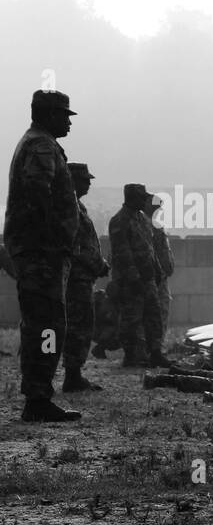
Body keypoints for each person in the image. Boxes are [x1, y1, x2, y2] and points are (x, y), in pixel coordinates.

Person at [3, 90, 81, 421]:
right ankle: (37, 399)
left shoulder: (38, 142)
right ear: (48, 115)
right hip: (41, 255)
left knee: (42, 324)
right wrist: (51, 243)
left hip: (39, 252)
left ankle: (38, 395)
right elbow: (38, 195)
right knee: (47, 327)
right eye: (64, 115)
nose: (68, 122)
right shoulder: (42, 145)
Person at [61, 163, 110, 391]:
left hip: (82, 277)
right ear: (73, 180)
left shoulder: (76, 205)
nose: (89, 184)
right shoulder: (68, 206)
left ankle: (74, 373)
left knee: (81, 325)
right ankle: (72, 376)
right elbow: (74, 245)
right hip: (76, 278)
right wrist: (97, 263)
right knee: (78, 326)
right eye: (84, 180)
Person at [109, 184, 169, 368]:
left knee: (153, 317)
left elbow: (149, 248)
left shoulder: (142, 219)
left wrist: (157, 272)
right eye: (142, 198)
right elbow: (122, 253)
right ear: (132, 199)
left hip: (148, 278)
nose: (145, 201)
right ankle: (131, 355)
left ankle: (155, 353)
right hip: (130, 281)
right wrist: (134, 278)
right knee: (131, 319)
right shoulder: (120, 221)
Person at [145, 196, 174, 341]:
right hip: (156, 277)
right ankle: (156, 346)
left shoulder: (148, 225)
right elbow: (161, 253)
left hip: (156, 276)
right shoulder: (150, 226)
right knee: (159, 313)